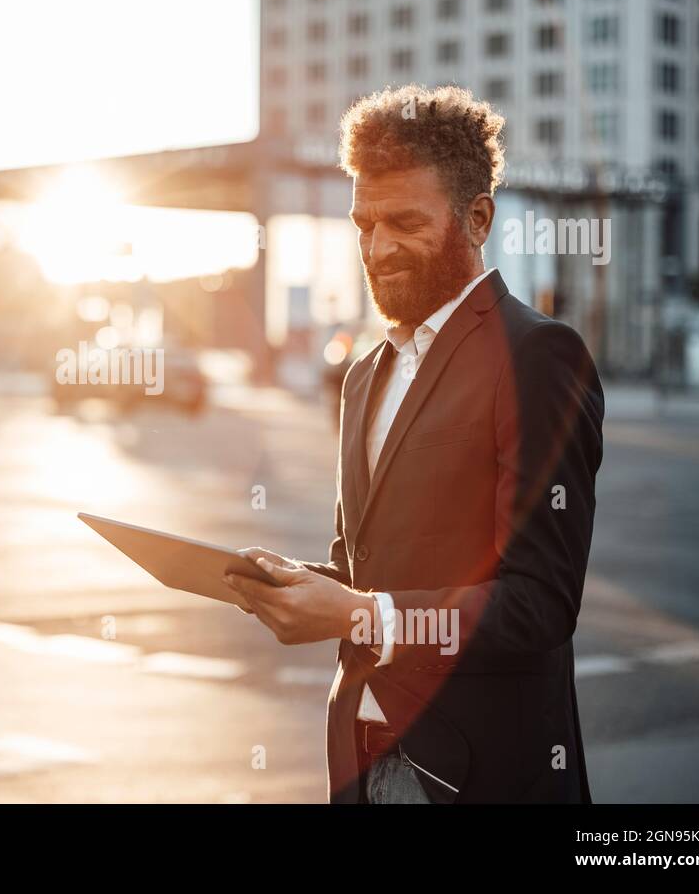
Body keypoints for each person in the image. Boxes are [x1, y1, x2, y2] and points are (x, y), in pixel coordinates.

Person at [225, 85, 604, 804]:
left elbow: (540, 603)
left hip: (486, 775)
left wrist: (360, 615)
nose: (377, 248)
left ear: (478, 217)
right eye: (363, 224)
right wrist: (290, 582)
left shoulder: (538, 356)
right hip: (366, 759)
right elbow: (364, 567)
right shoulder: (364, 375)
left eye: (404, 222)